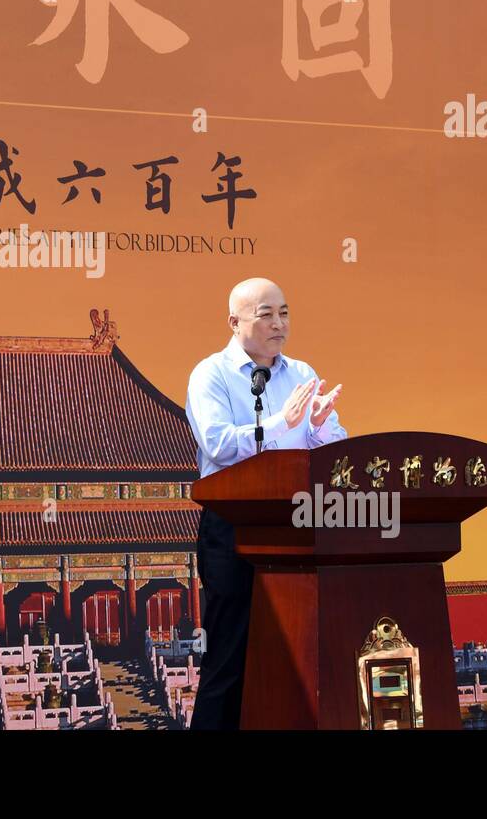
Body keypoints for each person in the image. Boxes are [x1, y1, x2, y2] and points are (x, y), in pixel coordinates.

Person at [184, 277, 345, 729]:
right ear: (234, 322)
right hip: (234, 525)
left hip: (296, 523)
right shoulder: (210, 373)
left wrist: (316, 428)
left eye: (285, 313)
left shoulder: (302, 374)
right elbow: (217, 445)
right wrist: (281, 423)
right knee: (231, 656)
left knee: (297, 651)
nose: (280, 324)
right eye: (266, 314)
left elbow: (330, 442)